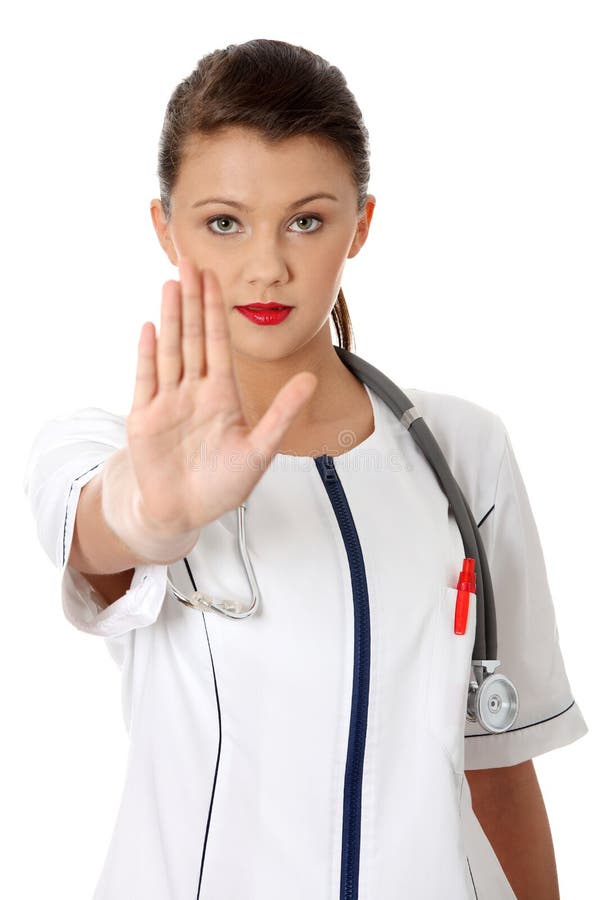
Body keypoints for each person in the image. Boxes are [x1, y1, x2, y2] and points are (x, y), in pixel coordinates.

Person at [23, 38, 588, 900]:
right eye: (224, 222)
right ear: (163, 226)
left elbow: (498, 767)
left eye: (307, 219)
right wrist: (150, 518)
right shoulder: (102, 449)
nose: (267, 265)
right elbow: (100, 535)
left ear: (360, 224)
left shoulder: (463, 452)